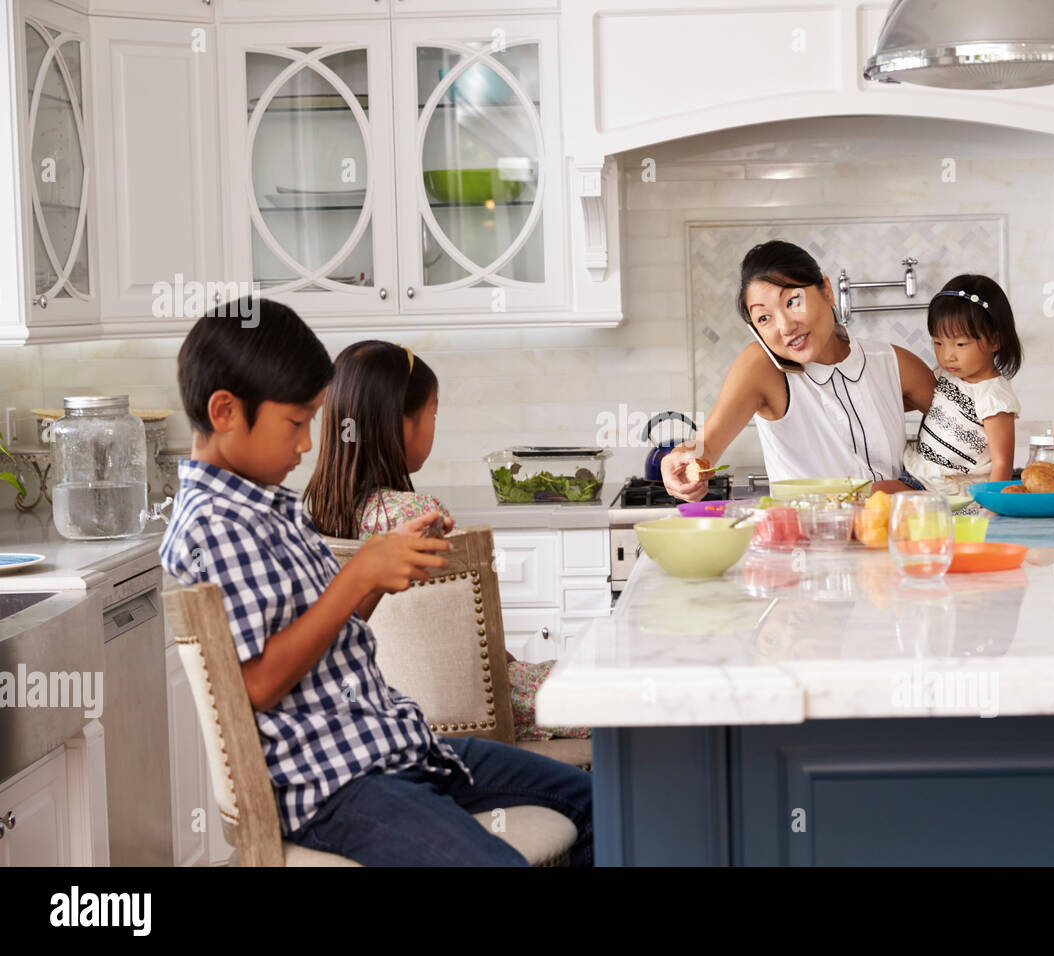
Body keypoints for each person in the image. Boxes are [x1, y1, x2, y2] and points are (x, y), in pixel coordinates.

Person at [159, 300, 592, 866]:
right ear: (225, 412)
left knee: (595, 800)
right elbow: (257, 684)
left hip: (389, 747)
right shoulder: (217, 526)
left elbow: (318, 635)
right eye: (295, 422)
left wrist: (380, 575)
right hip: (334, 784)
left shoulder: (267, 508)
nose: (308, 443)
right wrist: (358, 571)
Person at [305, 340, 590, 743]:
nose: (434, 423)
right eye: (433, 412)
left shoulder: (322, 517)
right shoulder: (419, 515)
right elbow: (479, 654)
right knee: (620, 693)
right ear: (400, 422)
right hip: (503, 711)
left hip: (396, 717)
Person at [662, 240, 937, 500]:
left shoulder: (892, 363)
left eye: (792, 302)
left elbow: (969, 433)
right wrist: (677, 459)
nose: (785, 326)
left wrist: (917, 486)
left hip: (898, 542)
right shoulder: (762, 368)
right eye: (764, 318)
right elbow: (705, 445)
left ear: (826, 290)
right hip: (806, 546)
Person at [901, 275, 1022, 496]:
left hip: (953, 492)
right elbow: (915, 400)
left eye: (960, 344)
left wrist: (992, 510)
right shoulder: (947, 375)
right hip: (920, 477)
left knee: (881, 496)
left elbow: (1002, 462)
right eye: (938, 342)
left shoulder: (993, 397)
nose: (947, 355)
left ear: (995, 340)